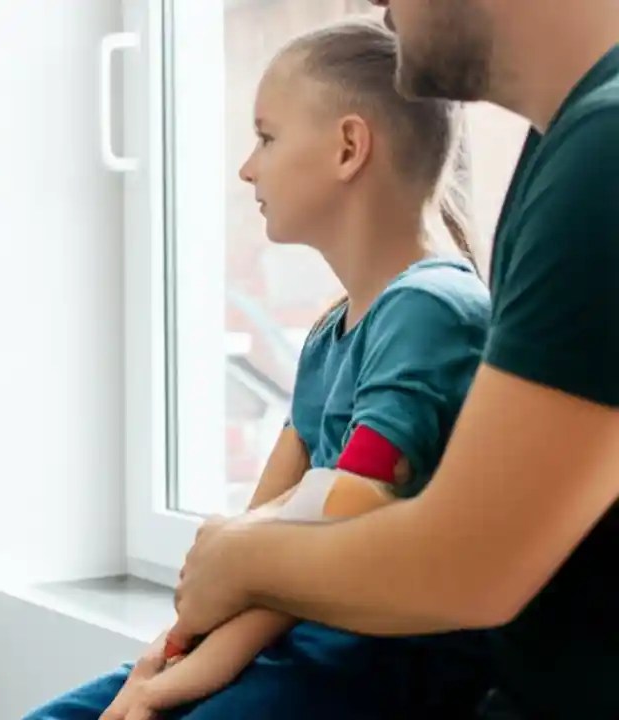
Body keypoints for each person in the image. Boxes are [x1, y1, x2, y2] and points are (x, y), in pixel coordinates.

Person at [25, 18, 493, 719]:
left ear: (348, 147)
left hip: (367, 674)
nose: (248, 167)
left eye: (267, 138)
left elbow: (330, 517)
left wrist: (171, 685)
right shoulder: (331, 335)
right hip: (283, 653)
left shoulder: (429, 308)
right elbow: (256, 544)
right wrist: (158, 663)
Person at [168, 1, 619, 718]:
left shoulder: (603, 156)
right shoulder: (565, 147)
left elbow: (469, 560)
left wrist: (240, 559)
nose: (378, 1)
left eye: (267, 137)